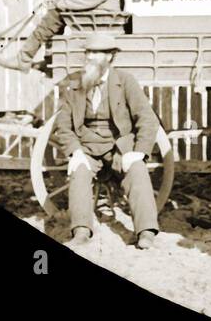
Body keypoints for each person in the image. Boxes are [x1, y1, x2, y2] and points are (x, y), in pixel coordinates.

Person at [51, 32, 160, 249]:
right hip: (87, 147)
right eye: (88, 52)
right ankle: (81, 230)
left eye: (97, 53)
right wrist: (75, 152)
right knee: (79, 170)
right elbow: (62, 125)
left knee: (137, 169)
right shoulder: (73, 83)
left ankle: (146, 232)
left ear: (110, 56)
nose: (91, 57)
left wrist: (137, 152)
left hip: (118, 147)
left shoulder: (125, 81)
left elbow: (147, 118)